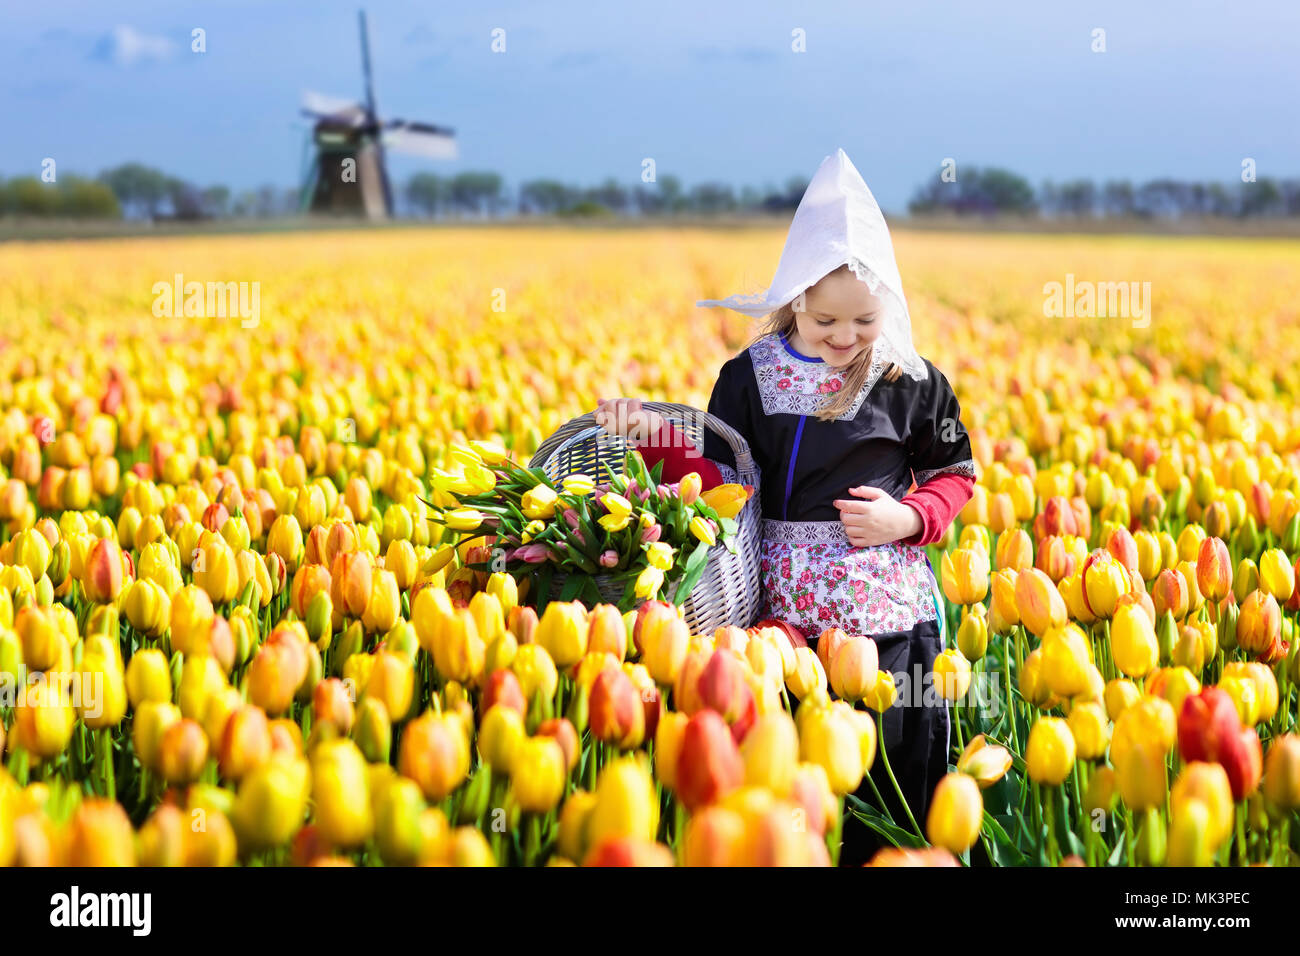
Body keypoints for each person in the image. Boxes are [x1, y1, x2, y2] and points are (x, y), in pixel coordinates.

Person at [594, 148, 976, 866]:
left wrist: (909, 518)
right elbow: (719, 476)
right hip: (783, 623)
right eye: (826, 319)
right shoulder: (748, 377)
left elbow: (955, 476)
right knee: (796, 790)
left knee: (890, 791)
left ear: (886, 305)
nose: (844, 338)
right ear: (796, 298)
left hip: (888, 623)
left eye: (863, 320)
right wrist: (655, 437)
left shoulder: (912, 381)